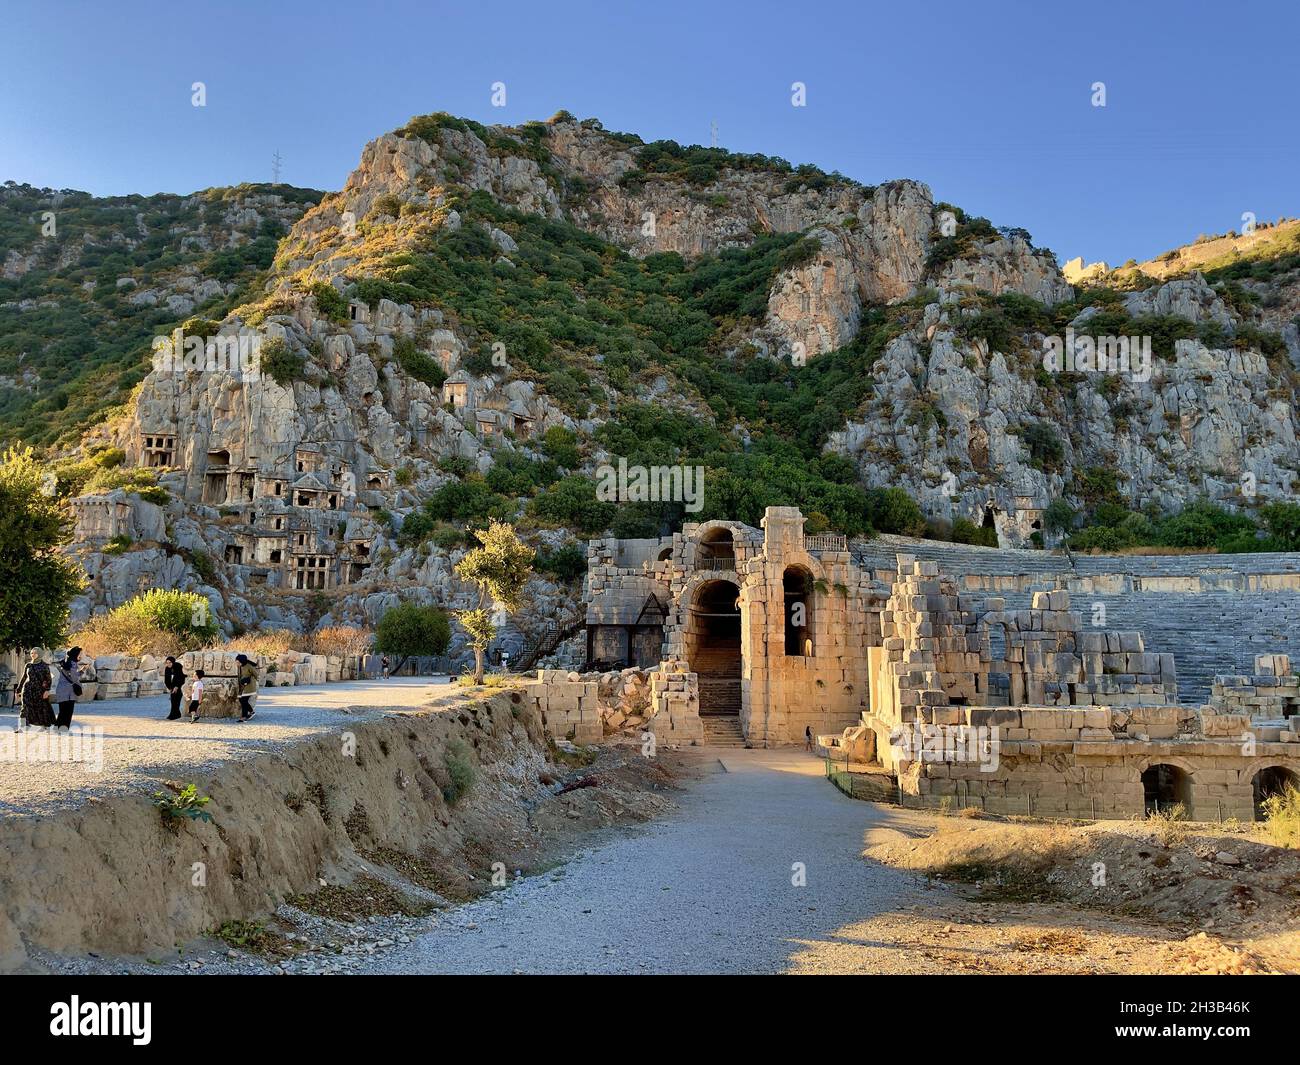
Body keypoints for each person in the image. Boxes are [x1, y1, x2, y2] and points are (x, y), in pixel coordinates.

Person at [16, 650, 54, 732]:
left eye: (35, 653)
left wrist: (47, 690)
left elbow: (48, 679)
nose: (32, 655)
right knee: (24, 707)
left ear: (39, 654)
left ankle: (45, 725)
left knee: (41, 708)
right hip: (27, 689)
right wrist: (18, 690)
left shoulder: (44, 666)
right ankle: (22, 726)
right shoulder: (28, 665)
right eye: (31, 653)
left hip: (39, 690)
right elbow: (23, 677)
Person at [53, 647, 83, 733]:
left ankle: (57, 728)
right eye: (80, 654)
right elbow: (74, 678)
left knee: (62, 711)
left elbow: (70, 675)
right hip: (69, 691)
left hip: (61, 690)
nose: (81, 656)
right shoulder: (73, 664)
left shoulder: (65, 662)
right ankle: (64, 729)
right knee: (68, 711)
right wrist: (82, 671)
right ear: (75, 654)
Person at [235, 654, 258, 721]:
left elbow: (256, 675)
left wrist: (250, 680)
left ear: (242, 661)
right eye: (236, 662)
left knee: (244, 700)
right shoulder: (240, 666)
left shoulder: (249, 666)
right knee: (241, 700)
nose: (237, 663)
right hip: (243, 687)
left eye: (238, 662)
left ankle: (244, 717)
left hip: (249, 687)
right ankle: (251, 712)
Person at [163, 656, 187, 721]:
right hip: (172, 686)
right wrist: (170, 688)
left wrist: (177, 686)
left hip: (180, 685)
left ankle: (175, 714)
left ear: (173, 662)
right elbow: (166, 679)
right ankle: (175, 714)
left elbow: (181, 677)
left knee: (177, 700)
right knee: (173, 700)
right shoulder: (167, 669)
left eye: (170, 662)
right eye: (167, 663)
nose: (168, 664)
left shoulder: (178, 666)